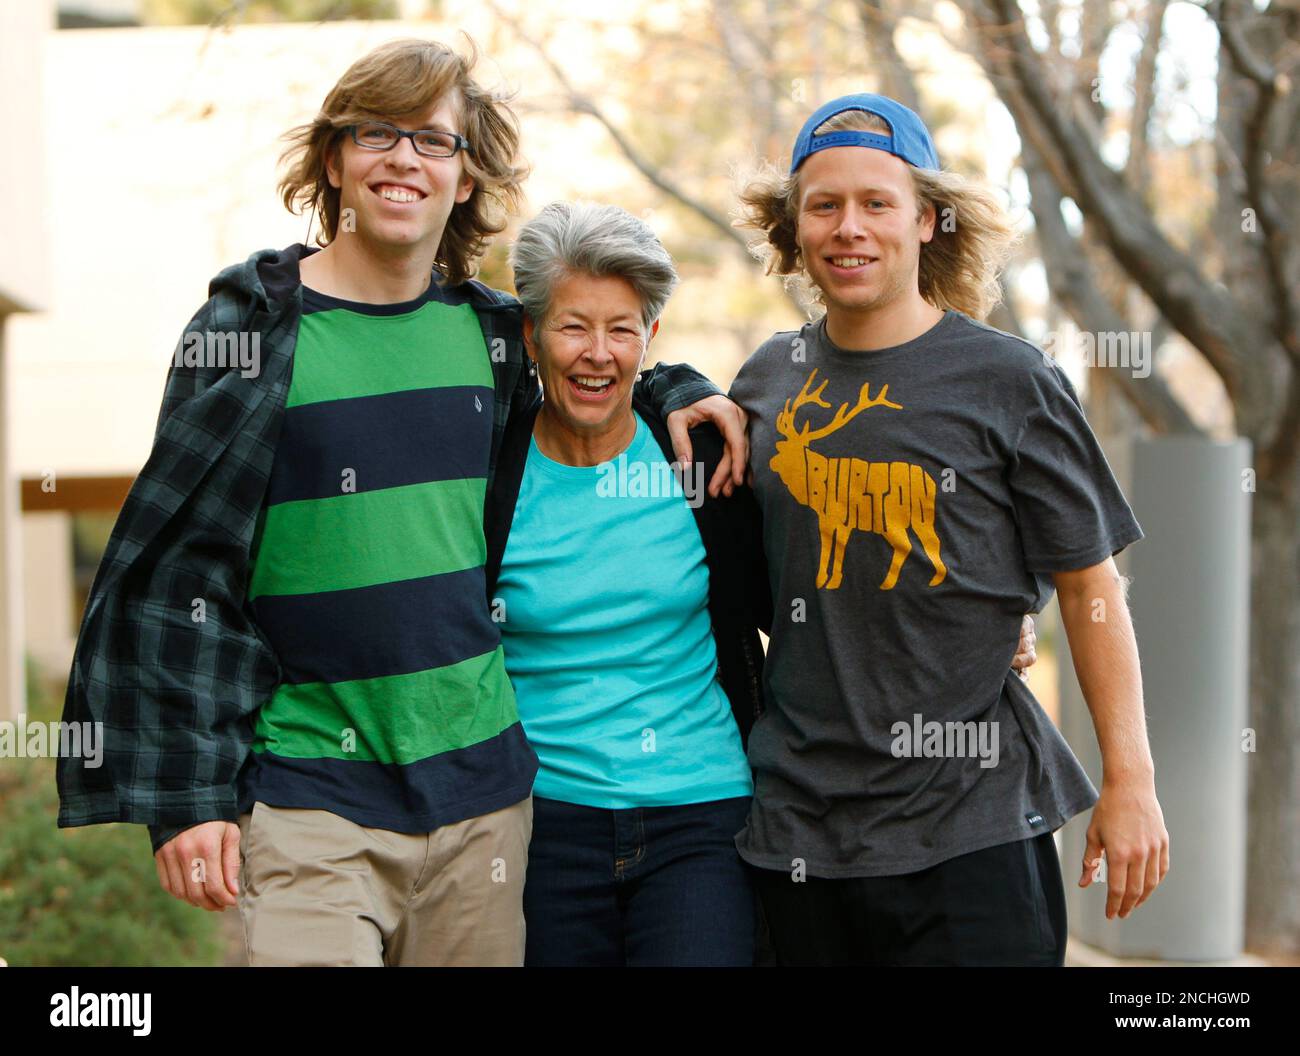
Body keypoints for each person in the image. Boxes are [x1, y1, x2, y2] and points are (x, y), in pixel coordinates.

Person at [54, 38, 744, 967]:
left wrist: (673, 390)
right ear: (334, 159)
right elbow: (180, 571)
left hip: (486, 806)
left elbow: (597, 368)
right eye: (378, 133)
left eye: (433, 140)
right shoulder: (251, 333)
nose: (404, 159)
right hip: (310, 795)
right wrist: (188, 795)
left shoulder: (494, 340)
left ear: (465, 179)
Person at [729, 93, 1170, 966]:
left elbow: (1090, 588)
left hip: (969, 831)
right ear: (795, 227)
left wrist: (1133, 782)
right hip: (798, 832)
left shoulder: (1010, 380)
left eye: (876, 203)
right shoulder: (765, 381)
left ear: (928, 219)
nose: (848, 228)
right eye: (824, 204)